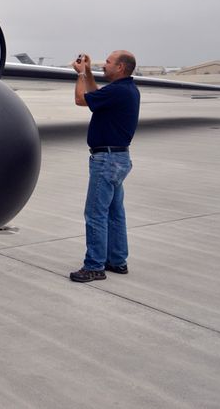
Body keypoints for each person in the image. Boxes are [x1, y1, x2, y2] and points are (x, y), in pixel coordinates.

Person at [70, 50, 141, 283]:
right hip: (118, 159)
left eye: (108, 62)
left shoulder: (118, 91)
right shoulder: (125, 90)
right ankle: (117, 261)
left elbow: (81, 99)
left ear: (120, 67)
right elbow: (94, 96)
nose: (104, 64)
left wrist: (81, 75)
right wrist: (89, 72)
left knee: (95, 214)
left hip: (106, 161)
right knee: (114, 213)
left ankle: (94, 266)